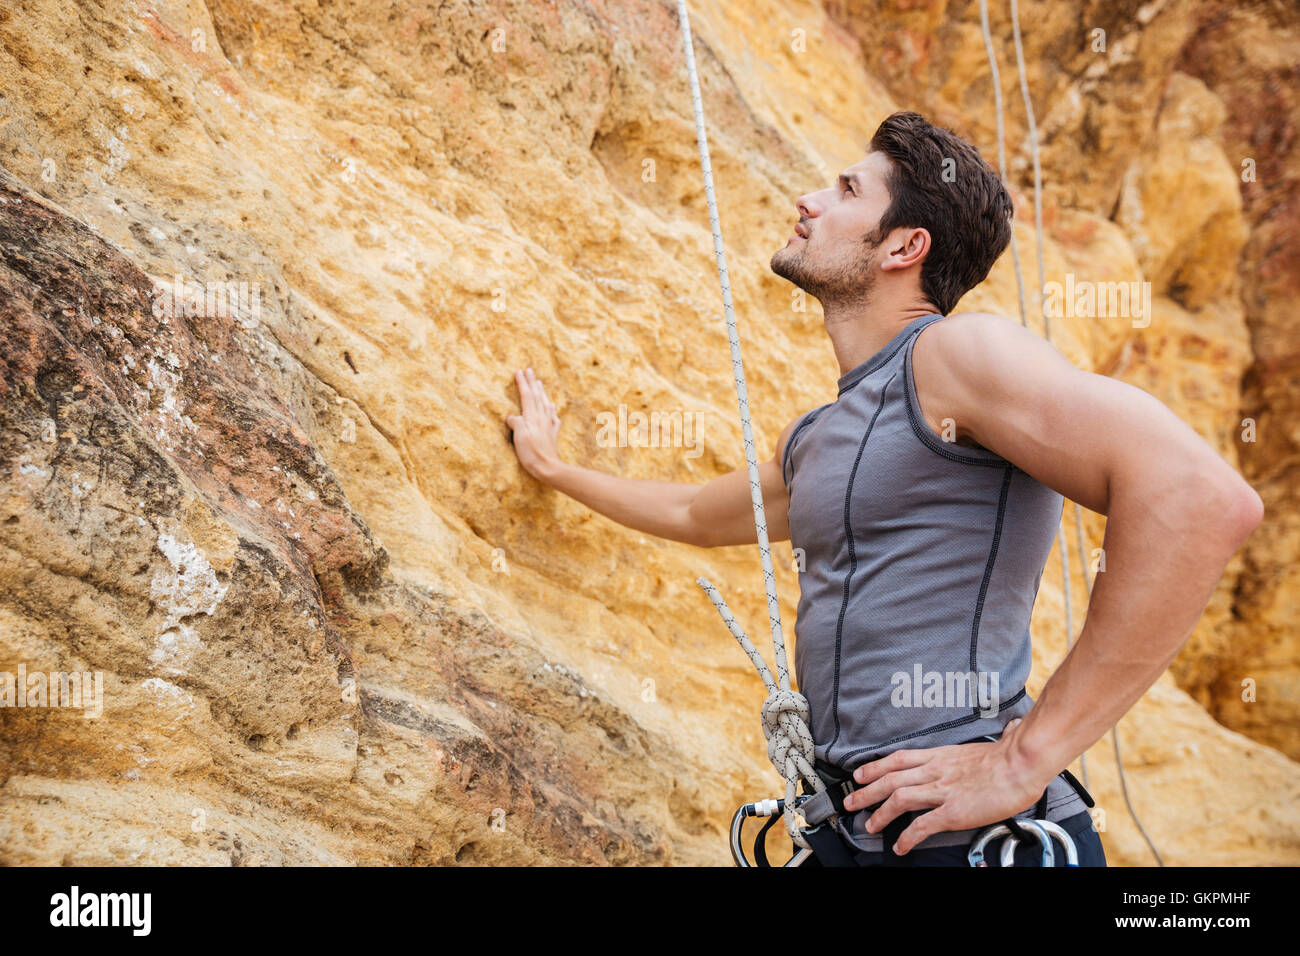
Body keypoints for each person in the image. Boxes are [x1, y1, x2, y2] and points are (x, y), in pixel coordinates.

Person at [505, 110, 1263, 866]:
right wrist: (555, 469)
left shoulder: (960, 355)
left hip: (967, 837)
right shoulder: (821, 436)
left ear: (906, 245)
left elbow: (1198, 498)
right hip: (856, 827)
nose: (807, 200)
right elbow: (694, 513)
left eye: (844, 190)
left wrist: (1024, 758)